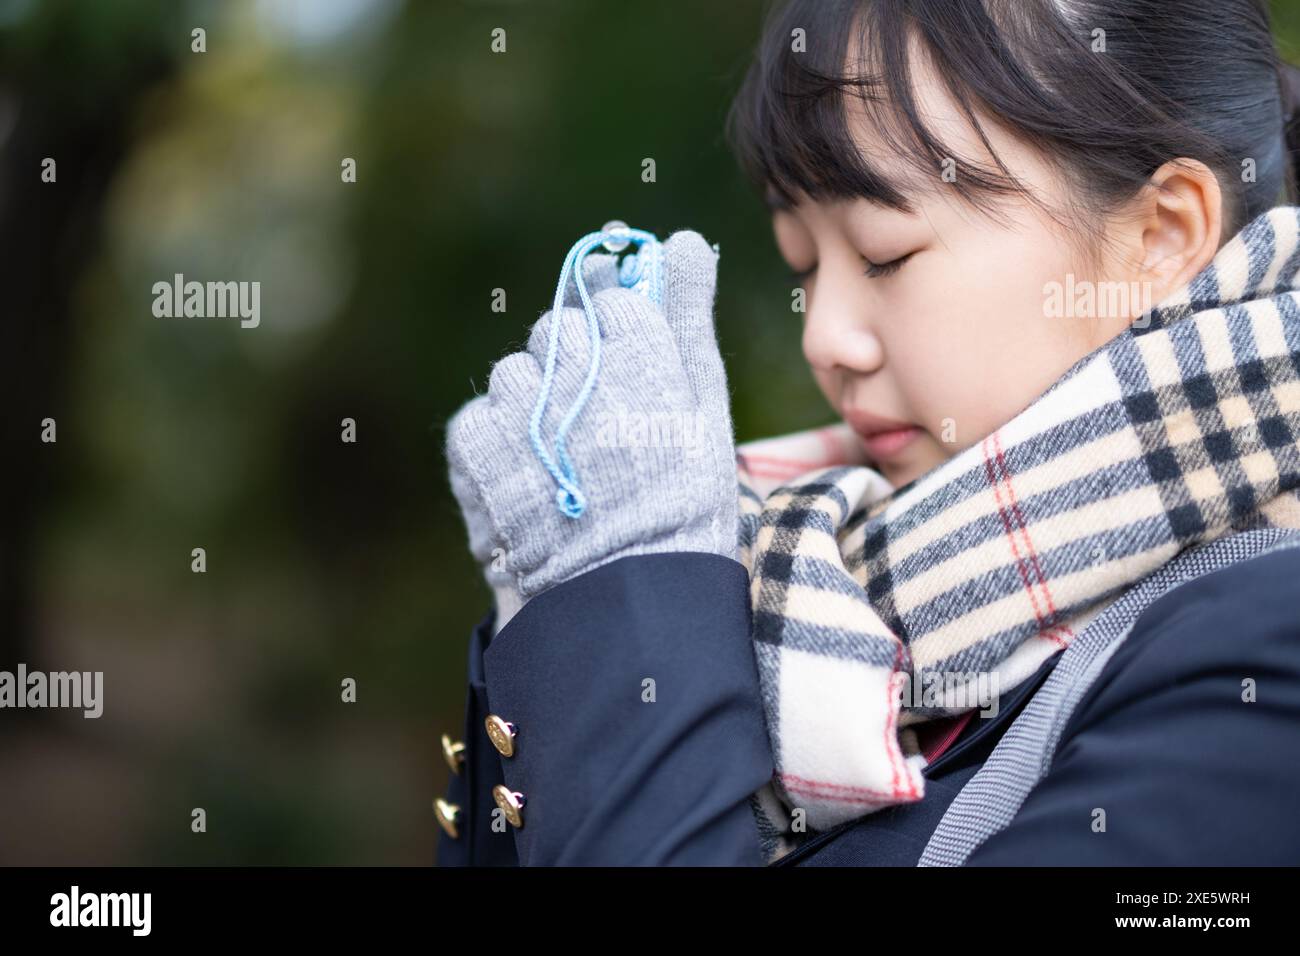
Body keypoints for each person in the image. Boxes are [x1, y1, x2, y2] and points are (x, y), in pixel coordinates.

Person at [435, 0, 1300, 866]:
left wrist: (622, 590)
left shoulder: (1263, 658)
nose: (825, 341)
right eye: (805, 264)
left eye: (885, 252)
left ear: (1160, 234)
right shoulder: (801, 568)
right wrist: (551, 617)